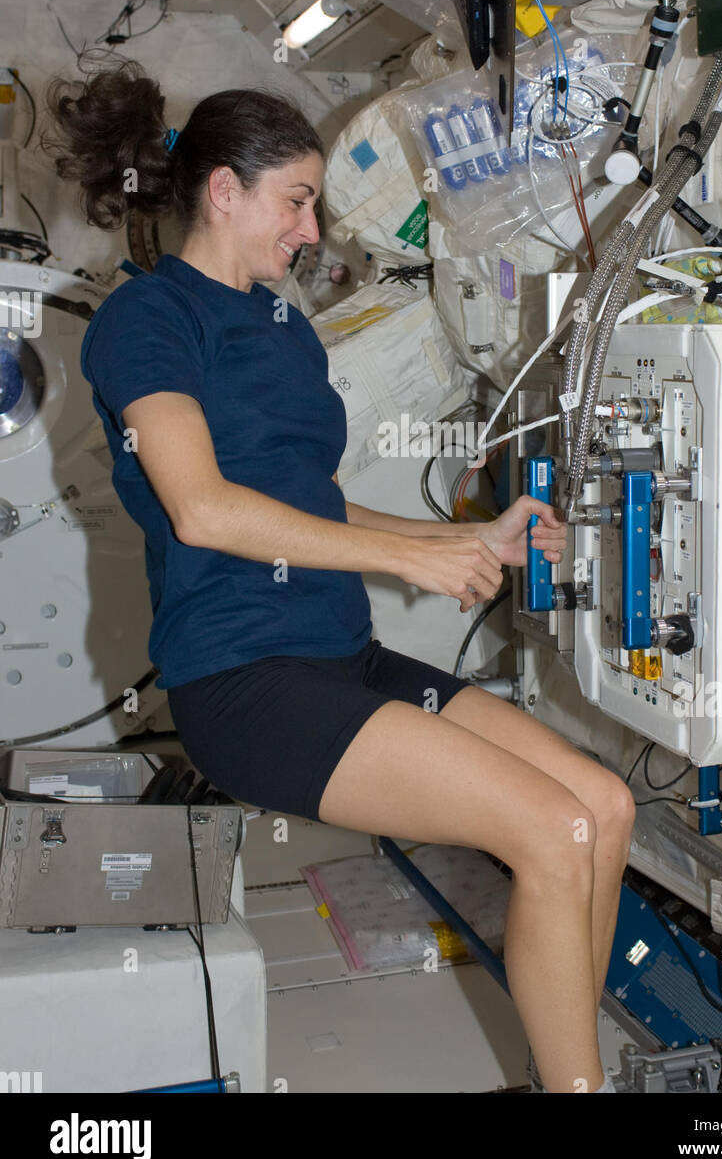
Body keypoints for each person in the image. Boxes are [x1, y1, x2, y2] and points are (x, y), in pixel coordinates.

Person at [43, 57, 634, 1094]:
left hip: (338, 653)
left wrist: (467, 535)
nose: (311, 230)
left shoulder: (283, 329)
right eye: (297, 201)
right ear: (223, 191)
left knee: (600, 808)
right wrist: (411, 555)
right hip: (243, 676)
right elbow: (206, 508)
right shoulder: (148, 320)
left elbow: (305, 500)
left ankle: (557, 1071)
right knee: (550, 830)